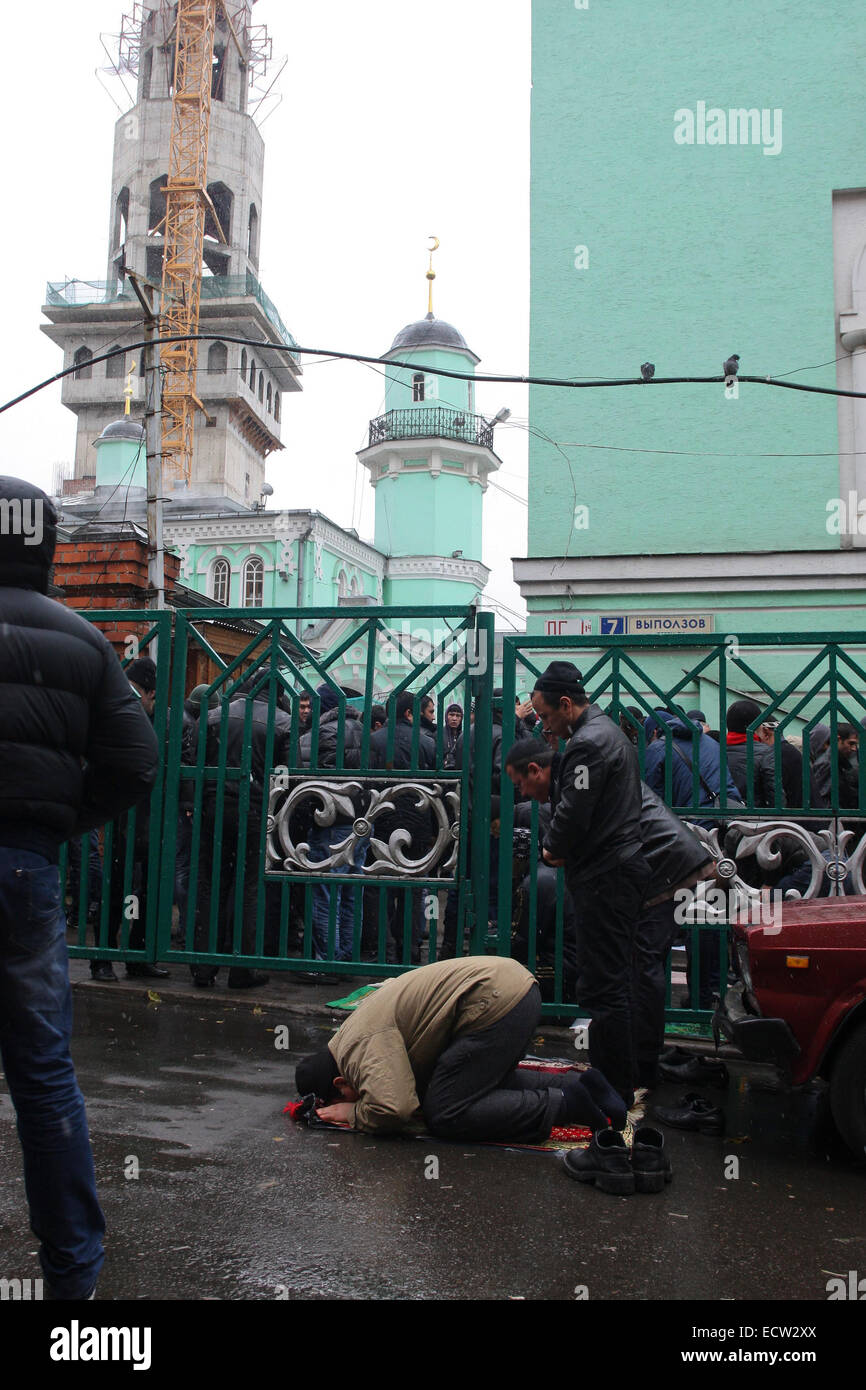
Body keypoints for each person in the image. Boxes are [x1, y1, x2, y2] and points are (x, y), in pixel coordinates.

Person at [0, 475, 159, 1299]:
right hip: (26, 868)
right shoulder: (84, 640)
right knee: (42, 1073)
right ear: (46, 545)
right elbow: (136, 765)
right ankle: (71, 1277)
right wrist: (57, 822)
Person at [504, 740, 715, 1089]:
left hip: (664, 866)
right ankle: (638, 1061)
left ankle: (642, 1066)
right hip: (653, 868)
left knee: (641, 966)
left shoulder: (575, 781)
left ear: (535, 770)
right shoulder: (570, 783)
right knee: (635, 965)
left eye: (521, 783)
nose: (523, 792)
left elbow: (569, 844)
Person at [294, 956, 626, 1140]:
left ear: (340, 1083)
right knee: (475, 1087)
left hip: (496, 1004)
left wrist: (352, 1113)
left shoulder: (360, 1047)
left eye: (343, 1097)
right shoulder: (351, 1039)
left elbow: (395, 1109)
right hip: (511, 993)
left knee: (447, 1112)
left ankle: (567, 1104)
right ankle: (583, 1086)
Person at [529, 661, 651, 1105]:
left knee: (604, 988)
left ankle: (612, 1092)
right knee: (613, 982)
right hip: (617, 870)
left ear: (566, 704)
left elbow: (573, 813)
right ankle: (620, 1081)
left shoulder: (588, 744)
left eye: (545, 716)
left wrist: (551, 848)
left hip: (607, 875)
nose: (544, 726)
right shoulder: (606, 734)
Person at [192, 674, 291, 987]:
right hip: (255, 812)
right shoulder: (283, 722)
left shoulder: (213, 716)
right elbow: (290, 779)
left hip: (213, 810)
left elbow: (195, 763)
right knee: (249, 887)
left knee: (211, 885)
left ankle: (204, 967)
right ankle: (242, 968)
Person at [298, 683, 367, 963]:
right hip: (361, 821)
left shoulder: (322, 733)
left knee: (327, 892)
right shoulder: (363, 730)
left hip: (332, 823)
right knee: (351, 891)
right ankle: (348, 955)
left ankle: (326, 959)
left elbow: (313, 782)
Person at [724, 698, 777, 807]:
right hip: (756, 820)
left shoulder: (715, 750)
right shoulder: (767, 753)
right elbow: (774, 794)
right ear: (756, 725)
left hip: (720, 817)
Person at [811, 723, 860, 809]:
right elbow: (821, 800)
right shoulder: (827, 764)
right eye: (851, 743)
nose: (854, 749)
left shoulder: (840, 762)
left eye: (855, 744)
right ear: (838, 740)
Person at [442, 702, 463, 769]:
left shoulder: (463, 736)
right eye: (451, 714)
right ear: (446, 716)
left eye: (458, 715)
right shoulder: (439, 734)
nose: (454, 718)